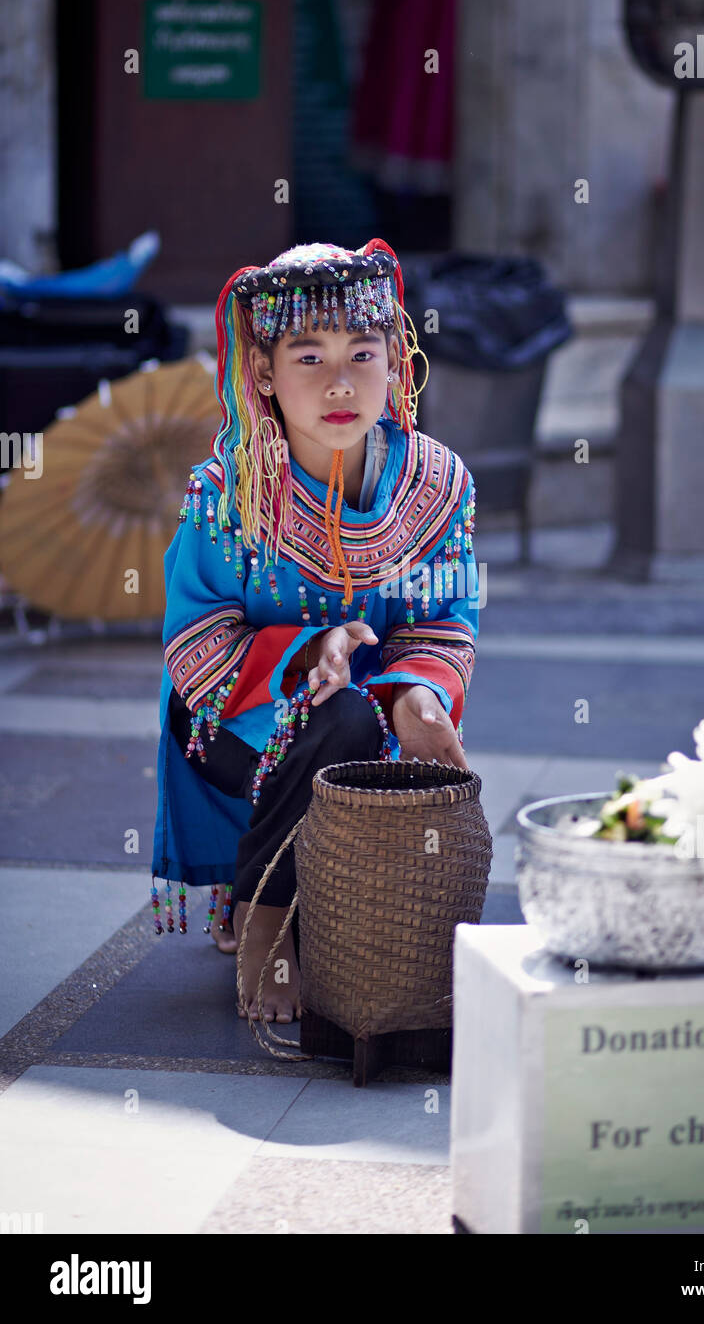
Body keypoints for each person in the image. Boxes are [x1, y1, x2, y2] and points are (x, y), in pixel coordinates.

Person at [150, 238, 479, 1025]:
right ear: (264, 372)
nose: (340, 383)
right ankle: (267, 916)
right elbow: (195, 643)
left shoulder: (437, 484)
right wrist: (306, 654)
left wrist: (418, 699)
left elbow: (443, 620)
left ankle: (282, 893)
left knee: (358, 718)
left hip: (370, 717)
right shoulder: (227, 493)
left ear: (396, 360)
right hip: (230, 721)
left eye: (363, 353)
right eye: (309, 357)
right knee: (334, 714)